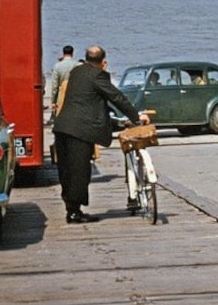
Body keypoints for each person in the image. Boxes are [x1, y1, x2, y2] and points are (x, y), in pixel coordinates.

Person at [52, 45, 149, 223]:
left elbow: (88, 99)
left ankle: (71, 209)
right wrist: (136, 116)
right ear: (103, 63)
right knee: (80, 171)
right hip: (80, 131)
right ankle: (74, 213)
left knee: (66, 170)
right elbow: (116, 97)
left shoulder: (76, 72)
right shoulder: (98, 75)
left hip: (62, 126)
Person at [49, 45, 79, 122]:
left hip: (61, 94)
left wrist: (53, 101)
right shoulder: (77, 65)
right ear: (73, 53)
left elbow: (55, 85)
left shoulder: (57, 66)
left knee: (61, 116)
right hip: (75, 93)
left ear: (63, 53)